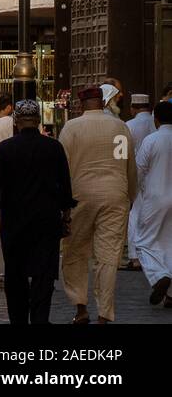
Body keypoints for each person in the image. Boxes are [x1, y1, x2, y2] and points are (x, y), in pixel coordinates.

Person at [0, 99, 76, 324]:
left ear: (16, 122)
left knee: (15, 273)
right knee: (43, 275)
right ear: (39, 121)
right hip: (46, 220)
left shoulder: (6, 148)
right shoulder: (53, 147)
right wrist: (66, 217)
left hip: (14, 221)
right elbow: (65, 186)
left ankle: (18, 319)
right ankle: (40, 319)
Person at [58, 84, 138, 324]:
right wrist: (130, 195)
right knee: (108, 255)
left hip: (79, 194)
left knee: (74, 251)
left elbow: (62, 168)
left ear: (81, 105)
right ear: (103, 103)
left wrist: (63, 205)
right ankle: (104, 314)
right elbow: (127, 165)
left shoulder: (71, 128)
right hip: (115, 194)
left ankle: (80, 307)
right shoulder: (120, 127)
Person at [132, 101, 172, 307]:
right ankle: (171, 294)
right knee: (170, 242)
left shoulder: (152, 140)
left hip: (155, 197)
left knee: (144, 242)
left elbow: (138, 171)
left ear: (156, 119)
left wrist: (138, 193)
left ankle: (159, 276)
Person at [125, 93, 156, 270]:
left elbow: (122, 153)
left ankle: (135, 257)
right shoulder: (155, 122)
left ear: (133, 107)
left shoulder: (129, 125)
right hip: (158, 174)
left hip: (137, 173)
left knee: (135, 214)